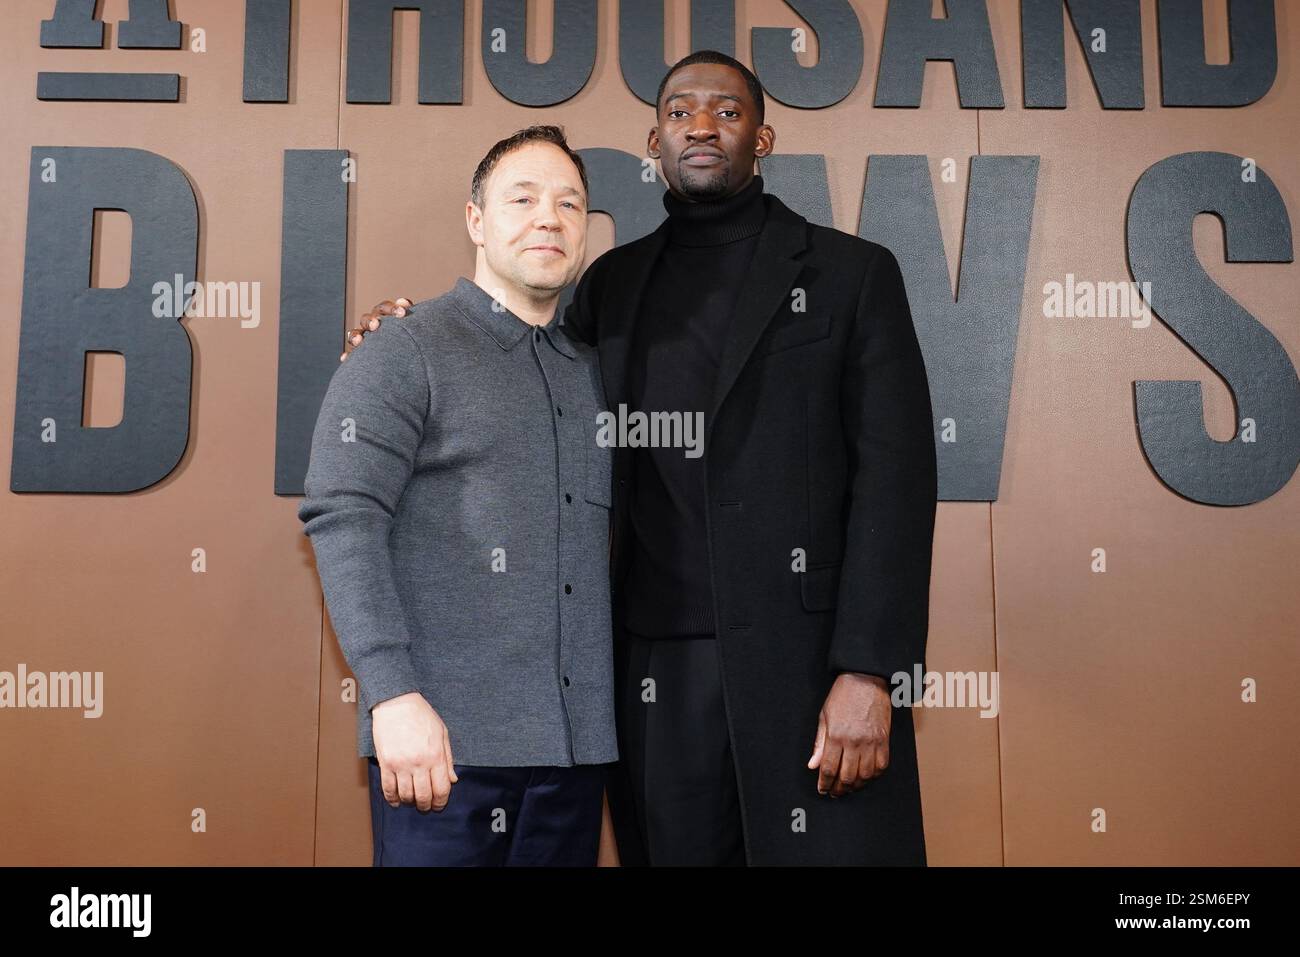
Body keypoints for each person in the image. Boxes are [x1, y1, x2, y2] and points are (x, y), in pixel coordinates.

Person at [353, 51, 938, 866]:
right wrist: (405, 325)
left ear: (762, 136)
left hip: (807, 675)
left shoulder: (851, 274)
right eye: (680, 112)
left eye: (727, 112)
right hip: (652, 682)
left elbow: (898, 483)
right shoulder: (613, 285)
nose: (702, 125)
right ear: (654, 139)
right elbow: (518, 366)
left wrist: (870, 671)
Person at [300, 125, 619, 866]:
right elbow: (342, 516)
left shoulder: (602, 374)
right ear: (476, 220)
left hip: (575, 764)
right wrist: (391, 695)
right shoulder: (403, 348)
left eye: (570, 203)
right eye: (524, 197)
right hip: (441, 755)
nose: (550, 217)